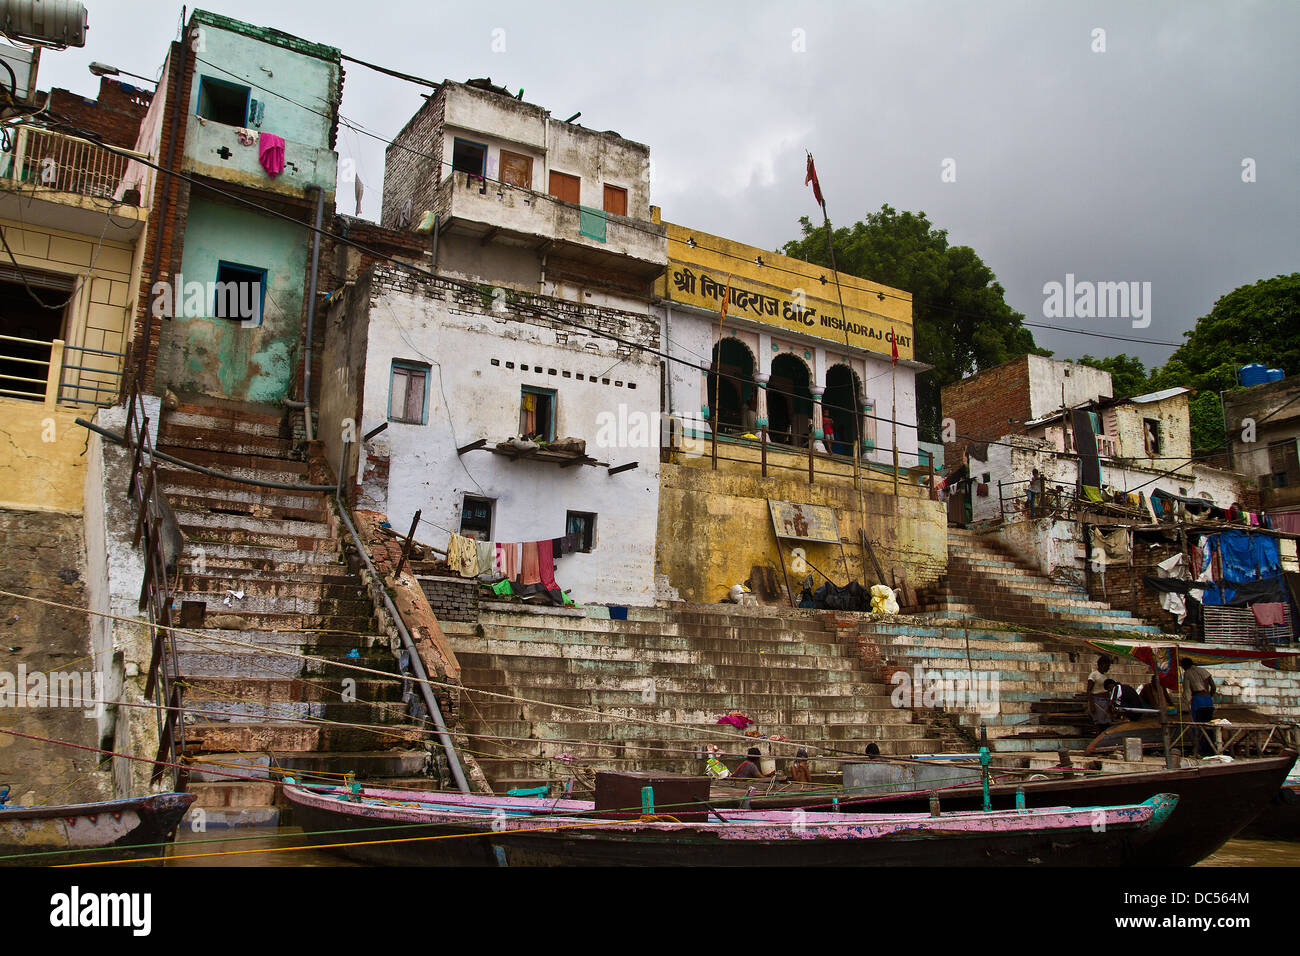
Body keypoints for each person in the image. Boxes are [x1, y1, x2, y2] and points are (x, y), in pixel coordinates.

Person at [1181, 657, 1217, 755]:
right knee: (1209, 725)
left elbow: (1187, 691)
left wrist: (1186, 704)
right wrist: (1209, 696)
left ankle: (1201, 750)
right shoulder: (1204, 671)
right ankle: (1212, 749)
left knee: (1198, 726)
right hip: (1208, 700)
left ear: (1185, 665)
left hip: (1198, 700)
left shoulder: (1187, 673)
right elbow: (1213, 687)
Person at [1086, 655, 1114, 726]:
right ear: (1102, 664)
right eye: (1108, 666)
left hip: (1105, 701)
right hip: (1097, 702)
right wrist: (1091, 704)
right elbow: (1089, 691)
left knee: (1107, 722)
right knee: (1099, 723)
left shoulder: (1105, 676)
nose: (1108, 668)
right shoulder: (1093, 675)